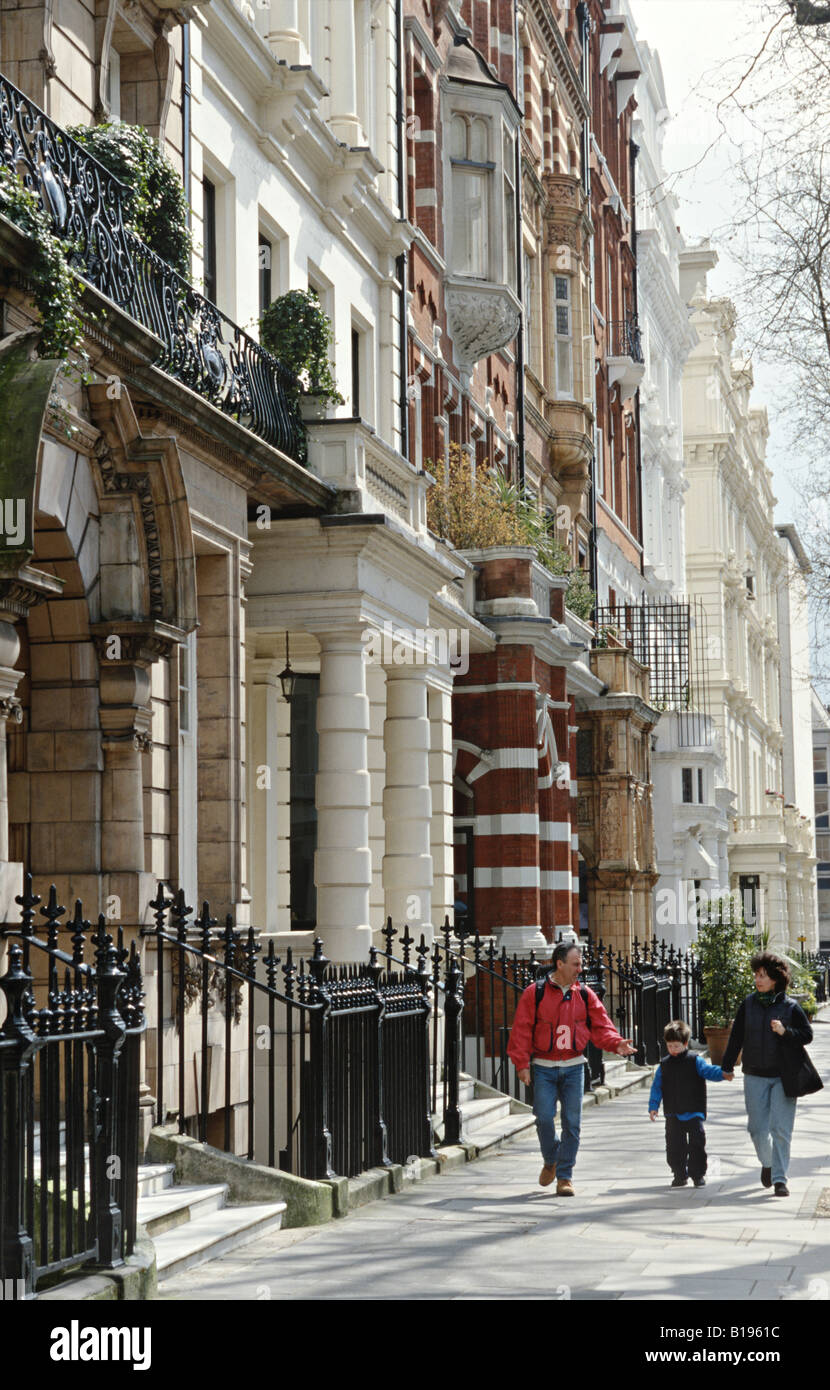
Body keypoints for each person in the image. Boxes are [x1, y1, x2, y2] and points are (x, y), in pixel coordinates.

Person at [507, 941, 636, 1196]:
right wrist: (521, 1064)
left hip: (574, 1068)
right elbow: (521, 1030)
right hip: (543, 1067)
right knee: (543, 1118)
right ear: (560, 964)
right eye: (576, 964)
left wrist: (616, 1043)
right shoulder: (536, 993)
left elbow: (602, 1026)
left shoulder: (585, 994)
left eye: (581, 964)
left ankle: (565, 1176)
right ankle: (551, 1158)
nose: (580, 968)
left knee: (572, 1124)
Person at [721, 951, 814, 1197]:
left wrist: (786, 1032)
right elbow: (736, 1036)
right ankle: (769, 1162)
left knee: (781, 1130)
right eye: (756, 975)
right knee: (757, 1129)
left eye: (762, 976)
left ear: (775, 979)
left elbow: (807, 1035)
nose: (757, 979)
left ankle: (780, 1178)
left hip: (784, 1076)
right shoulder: (748, 1004)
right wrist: (727, 1065)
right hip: (754, 1074)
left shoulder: (790, 1007)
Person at [648, 1018, 732, 1187]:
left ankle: (698, 1174)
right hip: (673, 1112)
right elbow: (657, 1087)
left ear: (685, 1043)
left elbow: (708, 1072)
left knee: (697, 1144)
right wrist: (653, 1106)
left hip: (694, 1109)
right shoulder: (664, 1065)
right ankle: (679, 1173)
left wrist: (723, 1073)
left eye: (676, 1046)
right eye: (670, 1046)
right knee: (674, 1146)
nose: (673, 1049)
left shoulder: (695, 1061)